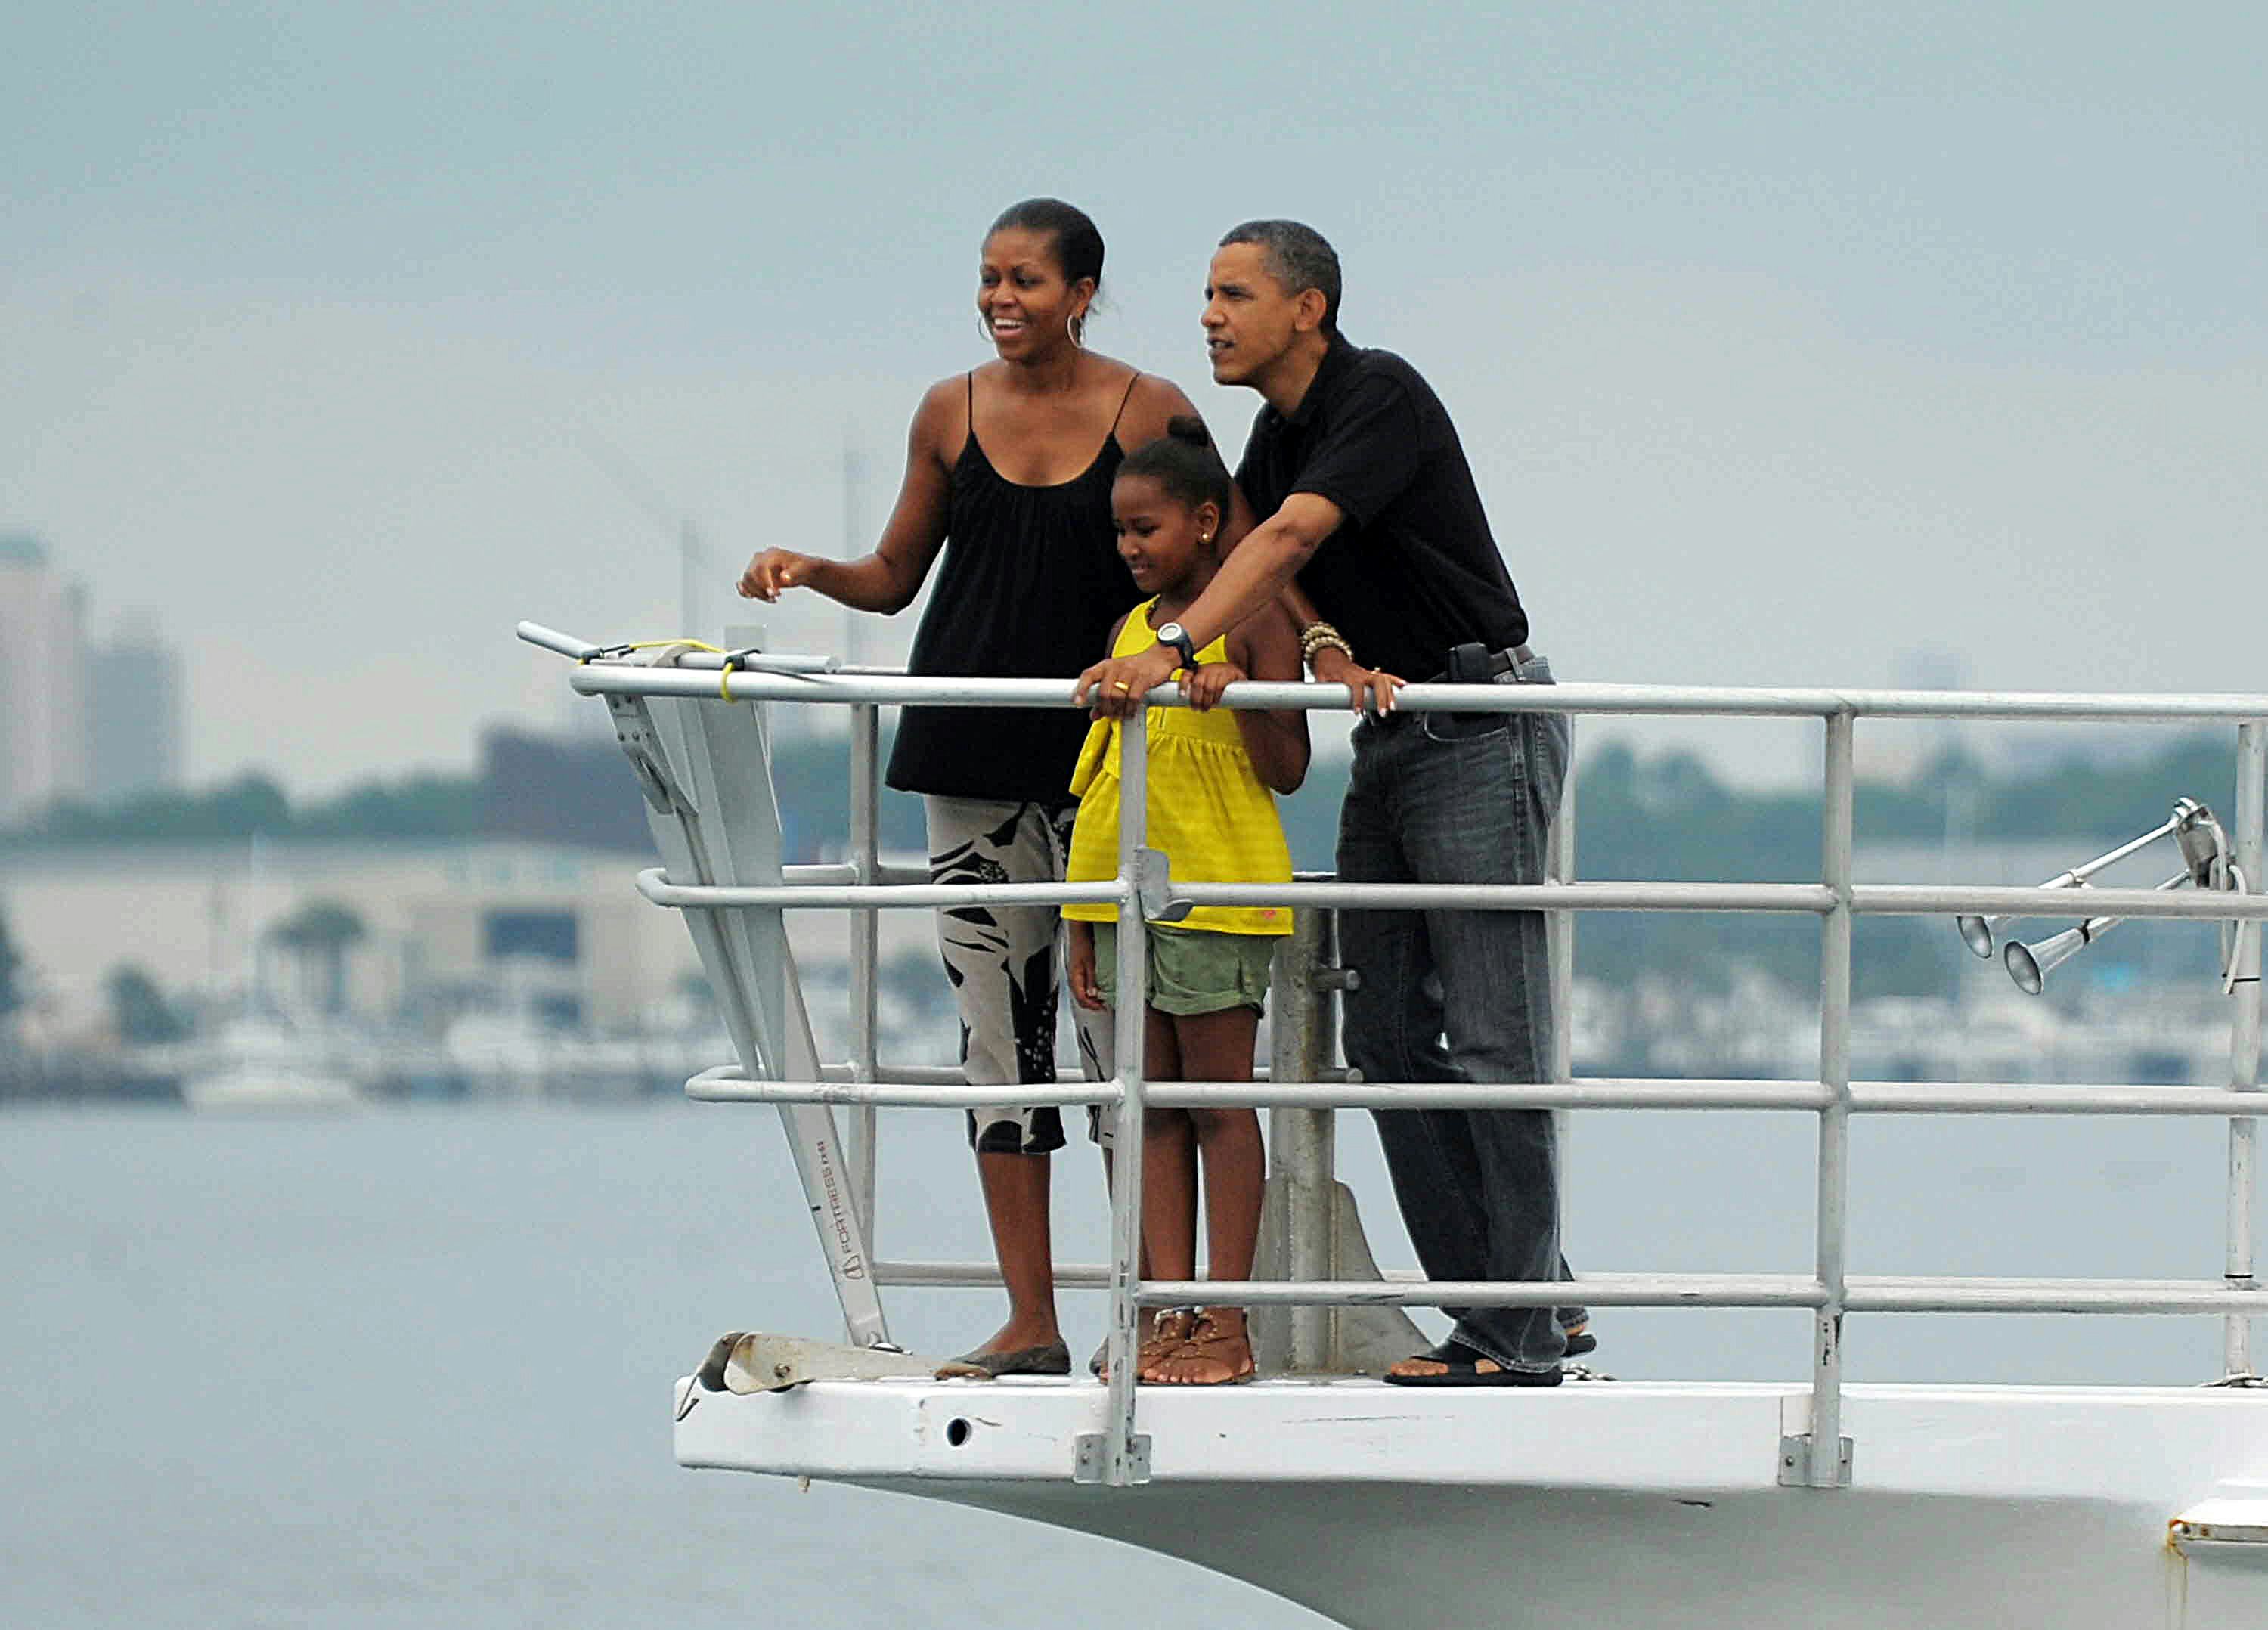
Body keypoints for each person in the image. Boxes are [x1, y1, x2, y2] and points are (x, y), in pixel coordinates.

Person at [1077, 220, 1591, 1386]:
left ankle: (1515, 1331)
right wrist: (1318, 638)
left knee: (1498, 1042)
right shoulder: (1276, 433)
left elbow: (1293, 529)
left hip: (1477, 721)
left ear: (1307, 308)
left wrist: (1172, 644)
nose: (1209, 314)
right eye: (1207, 294)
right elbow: (1272, 540)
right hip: (1396, 728)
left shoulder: (1379, 396)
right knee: (1390, 1037)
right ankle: (1522, 1300)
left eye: (1234, 294)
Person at [737, 199, 1218, 1379]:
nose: (1004, 300)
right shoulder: (947, 410)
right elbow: (897, 577)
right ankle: (1032, 1320)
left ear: (1085, 291)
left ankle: (1155, 1314)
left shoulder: (1150, 407)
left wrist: (1240, 655)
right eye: (990, 280)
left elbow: (1227, 552)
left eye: (1029, 282)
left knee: (1120, 1044)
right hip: (966, 759)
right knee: (1000, 1044)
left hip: (1112, 764)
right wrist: (810, 568)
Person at [1061, 420, 1308, 1387]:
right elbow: (1099, 785)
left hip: (1220, 893)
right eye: (1119, 531)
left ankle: (1229, 1319)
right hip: (1132, 900)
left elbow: (1289, 765)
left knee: (1217, 1102)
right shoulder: (1132, 635)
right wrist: (1084, 914)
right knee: (1152, 1108)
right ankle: (1167, 1311)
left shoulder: (1251, 615)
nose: (1129, 547)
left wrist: (1238, 691)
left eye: (1146, 527)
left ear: (1207, 523)